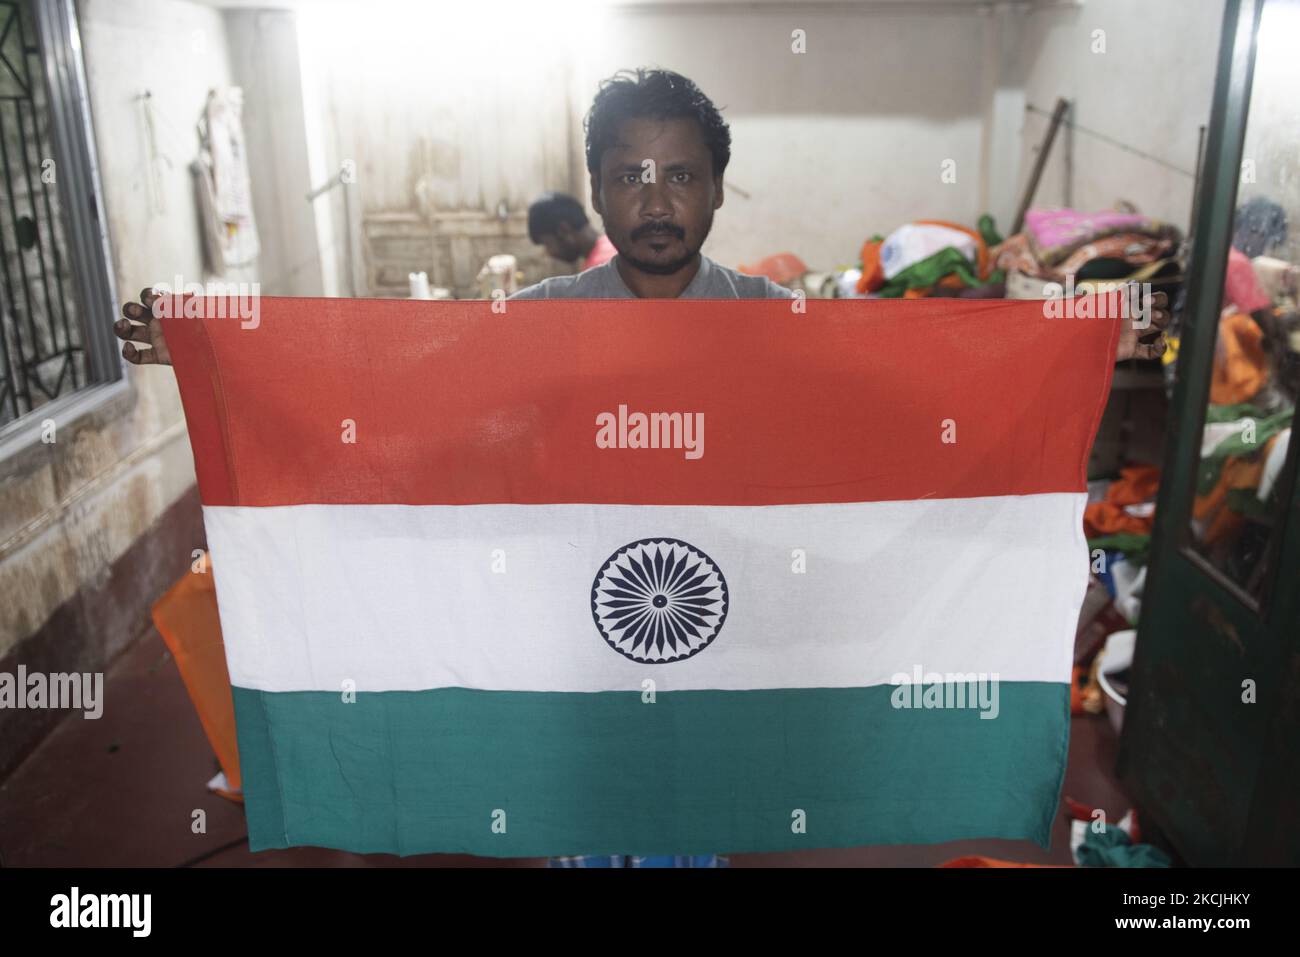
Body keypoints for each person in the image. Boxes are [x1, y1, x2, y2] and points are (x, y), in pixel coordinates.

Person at [112, 67, 1171, 868]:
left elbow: (913, 386)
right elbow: (396, 392)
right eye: (630, 175)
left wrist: (1080, 337)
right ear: (597, 191)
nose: (655, 199)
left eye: (681, 175)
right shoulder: (536, 325)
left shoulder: (774, 322)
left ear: (717, 190)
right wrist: (210, 350)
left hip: (716, 633)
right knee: (584, 813)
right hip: (576, 639)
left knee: (698, 811)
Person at [527, 192, 616, 271]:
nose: (549, 253)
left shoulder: (599, 268)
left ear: (564, 230)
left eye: (548, 244)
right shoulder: (613, 245)